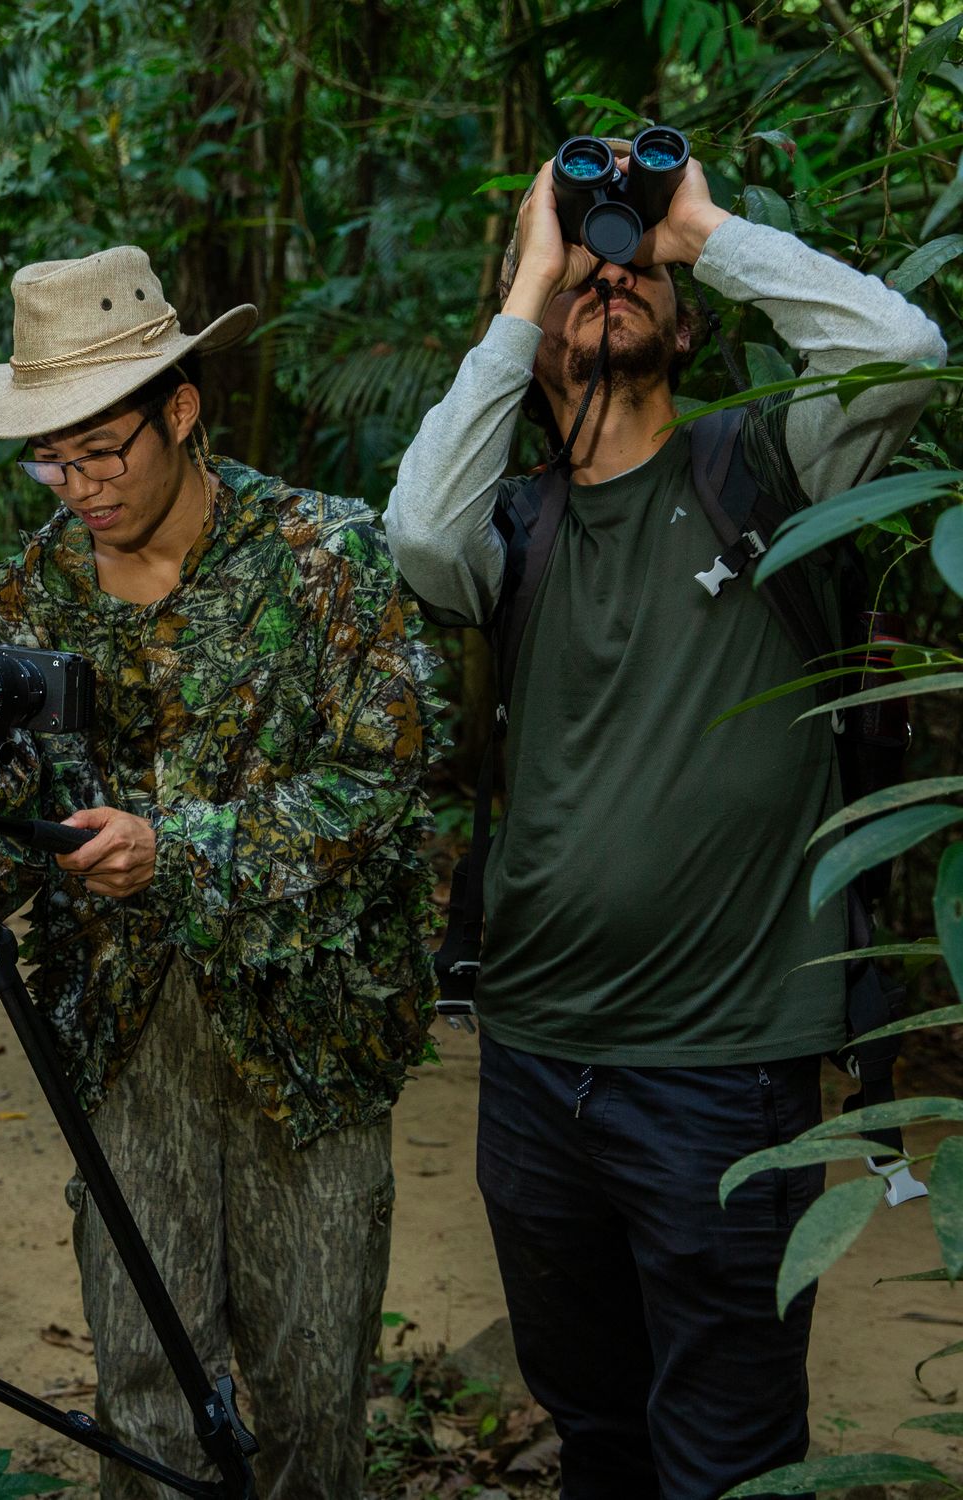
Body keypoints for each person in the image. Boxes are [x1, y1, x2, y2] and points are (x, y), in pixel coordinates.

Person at [0, 248, 439, 1500]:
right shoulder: (41, 584)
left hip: (303, 1047)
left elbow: (380, 784)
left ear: (181, 410)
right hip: (120, 1035)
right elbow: (15, 795)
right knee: (142, 1386)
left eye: (102, 453)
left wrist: (177, 851)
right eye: (50, 459)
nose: (78, 487)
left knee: (310, 1381)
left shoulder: (327, 559)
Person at [383, 146, 947, 1498]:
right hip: (533, 1065)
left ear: (692, 316)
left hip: (725, 1072)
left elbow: (906, 348)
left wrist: (699, 224)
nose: (610, 278)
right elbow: (414, 534)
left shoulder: (767, 469)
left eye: (639, 269)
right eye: (589, 265)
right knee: (599, 1435)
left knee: (729, 1458)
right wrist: (534, 276)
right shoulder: (512, 528)